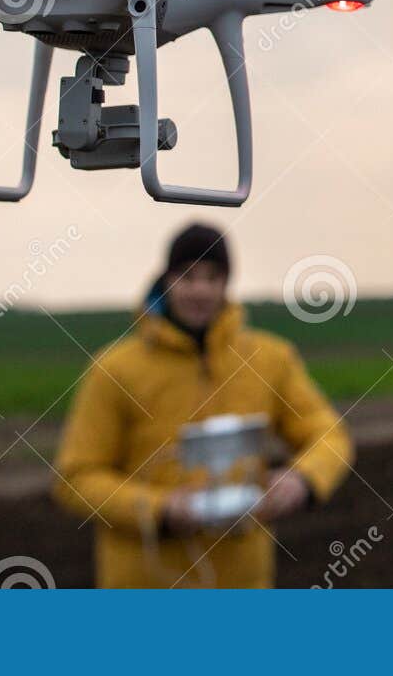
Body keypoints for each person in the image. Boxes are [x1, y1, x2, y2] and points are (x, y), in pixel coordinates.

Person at [53, 223, 352, 588]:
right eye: (188, 276)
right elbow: (76, 477)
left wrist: (302, 479)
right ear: (167, 280)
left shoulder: (270, 358)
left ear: (227, 284)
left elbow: (329, 434)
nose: (201, 290)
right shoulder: (114, 370)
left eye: (213, 277)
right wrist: (161, 509)